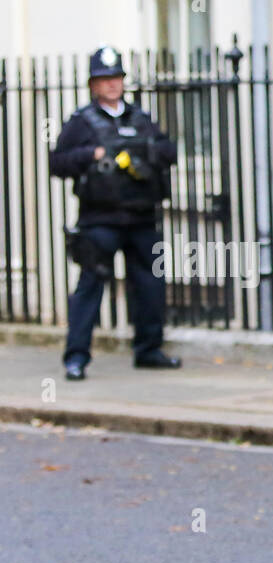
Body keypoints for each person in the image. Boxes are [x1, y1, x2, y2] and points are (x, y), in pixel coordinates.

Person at [50, 44, 181, 381]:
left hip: (141, 218)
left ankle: (148, 350)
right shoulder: (81, 122)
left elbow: (169, 151)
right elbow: (58, 162)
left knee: (150, 286)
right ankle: (76, 358)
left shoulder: (140, 118)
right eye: (104, 79)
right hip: (100, 219)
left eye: (116, 78)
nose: (111, 84)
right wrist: (90, 155)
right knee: (90, 287)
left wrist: (144, 152)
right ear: (93, 85)